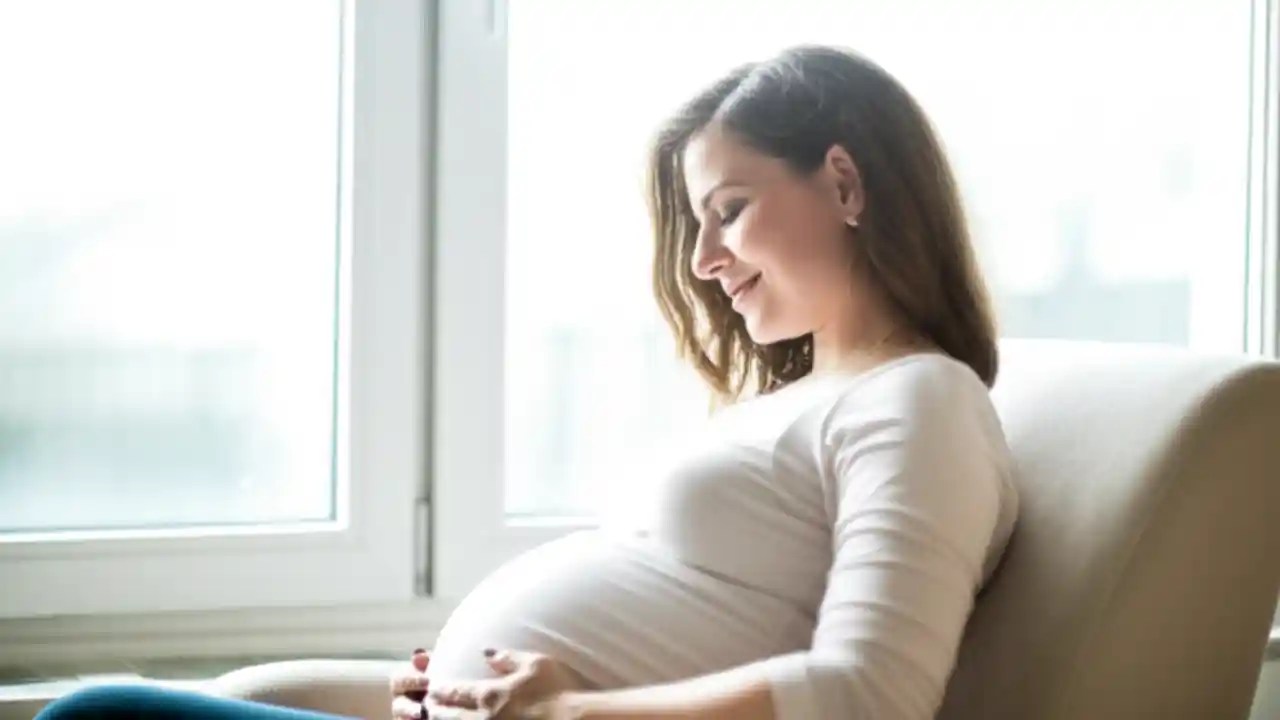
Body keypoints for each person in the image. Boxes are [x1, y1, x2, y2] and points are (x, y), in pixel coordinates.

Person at [37, 45, 1018, 720]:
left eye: (729, 209)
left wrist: (569, 708)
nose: (701, 262)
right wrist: (467, 682)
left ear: (843, 183)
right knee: (234, 691)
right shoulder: (799, 400)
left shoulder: (917, 400)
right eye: (697, 224)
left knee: (94, 715)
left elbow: (867, 694)